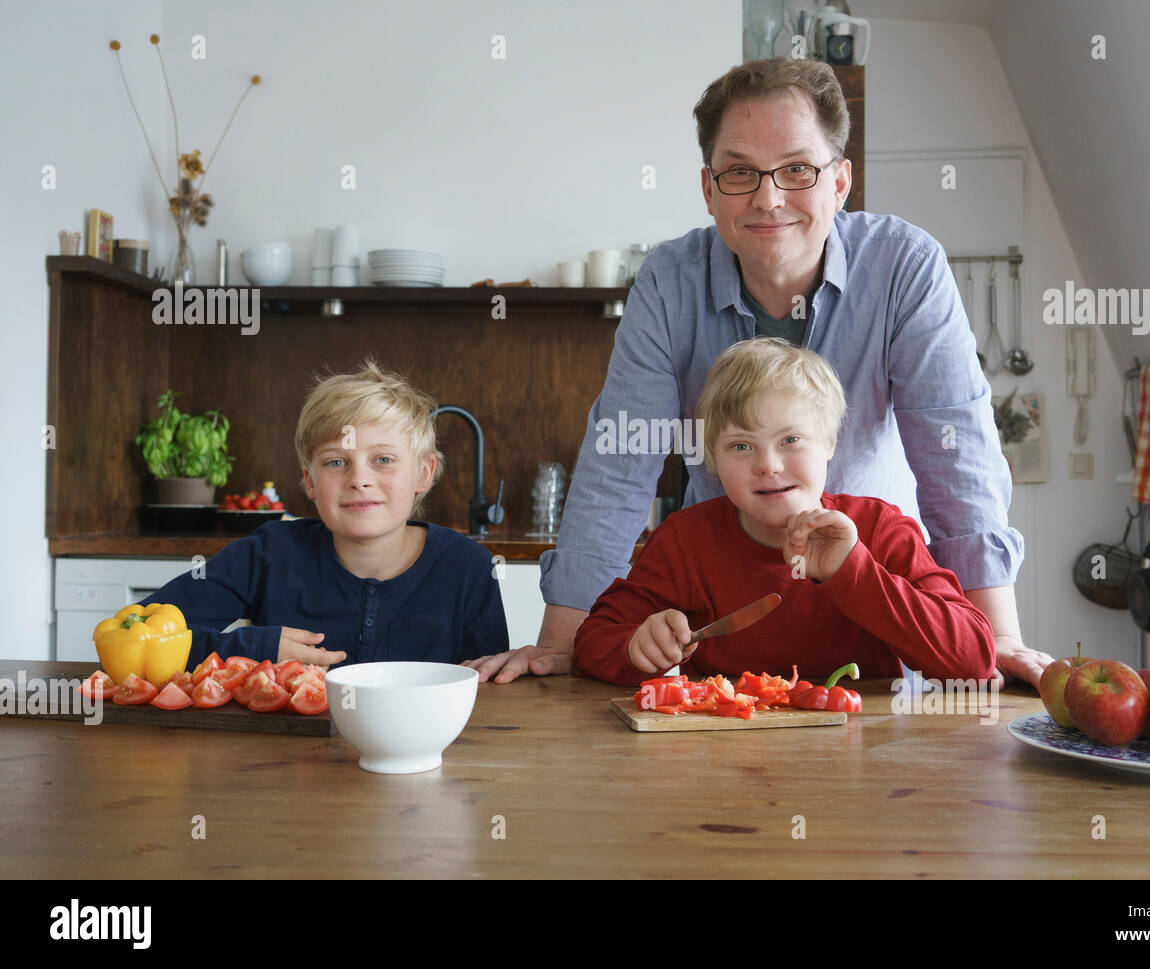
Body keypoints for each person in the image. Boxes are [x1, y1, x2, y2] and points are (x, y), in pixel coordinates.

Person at [467, 57, 1051, 687]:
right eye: (741, 172)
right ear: (709, 188)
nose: (769, 199)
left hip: (869, 595)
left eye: (797, 169)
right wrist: (562, 642)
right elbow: (620, 461)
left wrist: (998, 640)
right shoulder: (669, 281)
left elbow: (954, 450)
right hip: (719, 612)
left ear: (840, 181)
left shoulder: (905, 266)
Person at [572, 338, 995, 686]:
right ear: (713, 461)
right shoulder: (686, 540)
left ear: (829, 443)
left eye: (791, 440)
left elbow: (972, 658)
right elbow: (592, 643)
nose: (768, 465)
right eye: (741, 446)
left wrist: (852, 570)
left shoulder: (880, 528)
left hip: (862, 761)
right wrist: (635, 648)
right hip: (721, 757)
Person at [142, 359, 508, 670]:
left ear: (424, 474)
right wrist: (255, 648)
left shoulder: (469, 568)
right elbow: (134, 633)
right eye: (336, 462)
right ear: (310, 481)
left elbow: (488, 692)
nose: (359, 480)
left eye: (383, 460)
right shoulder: (270, 553)